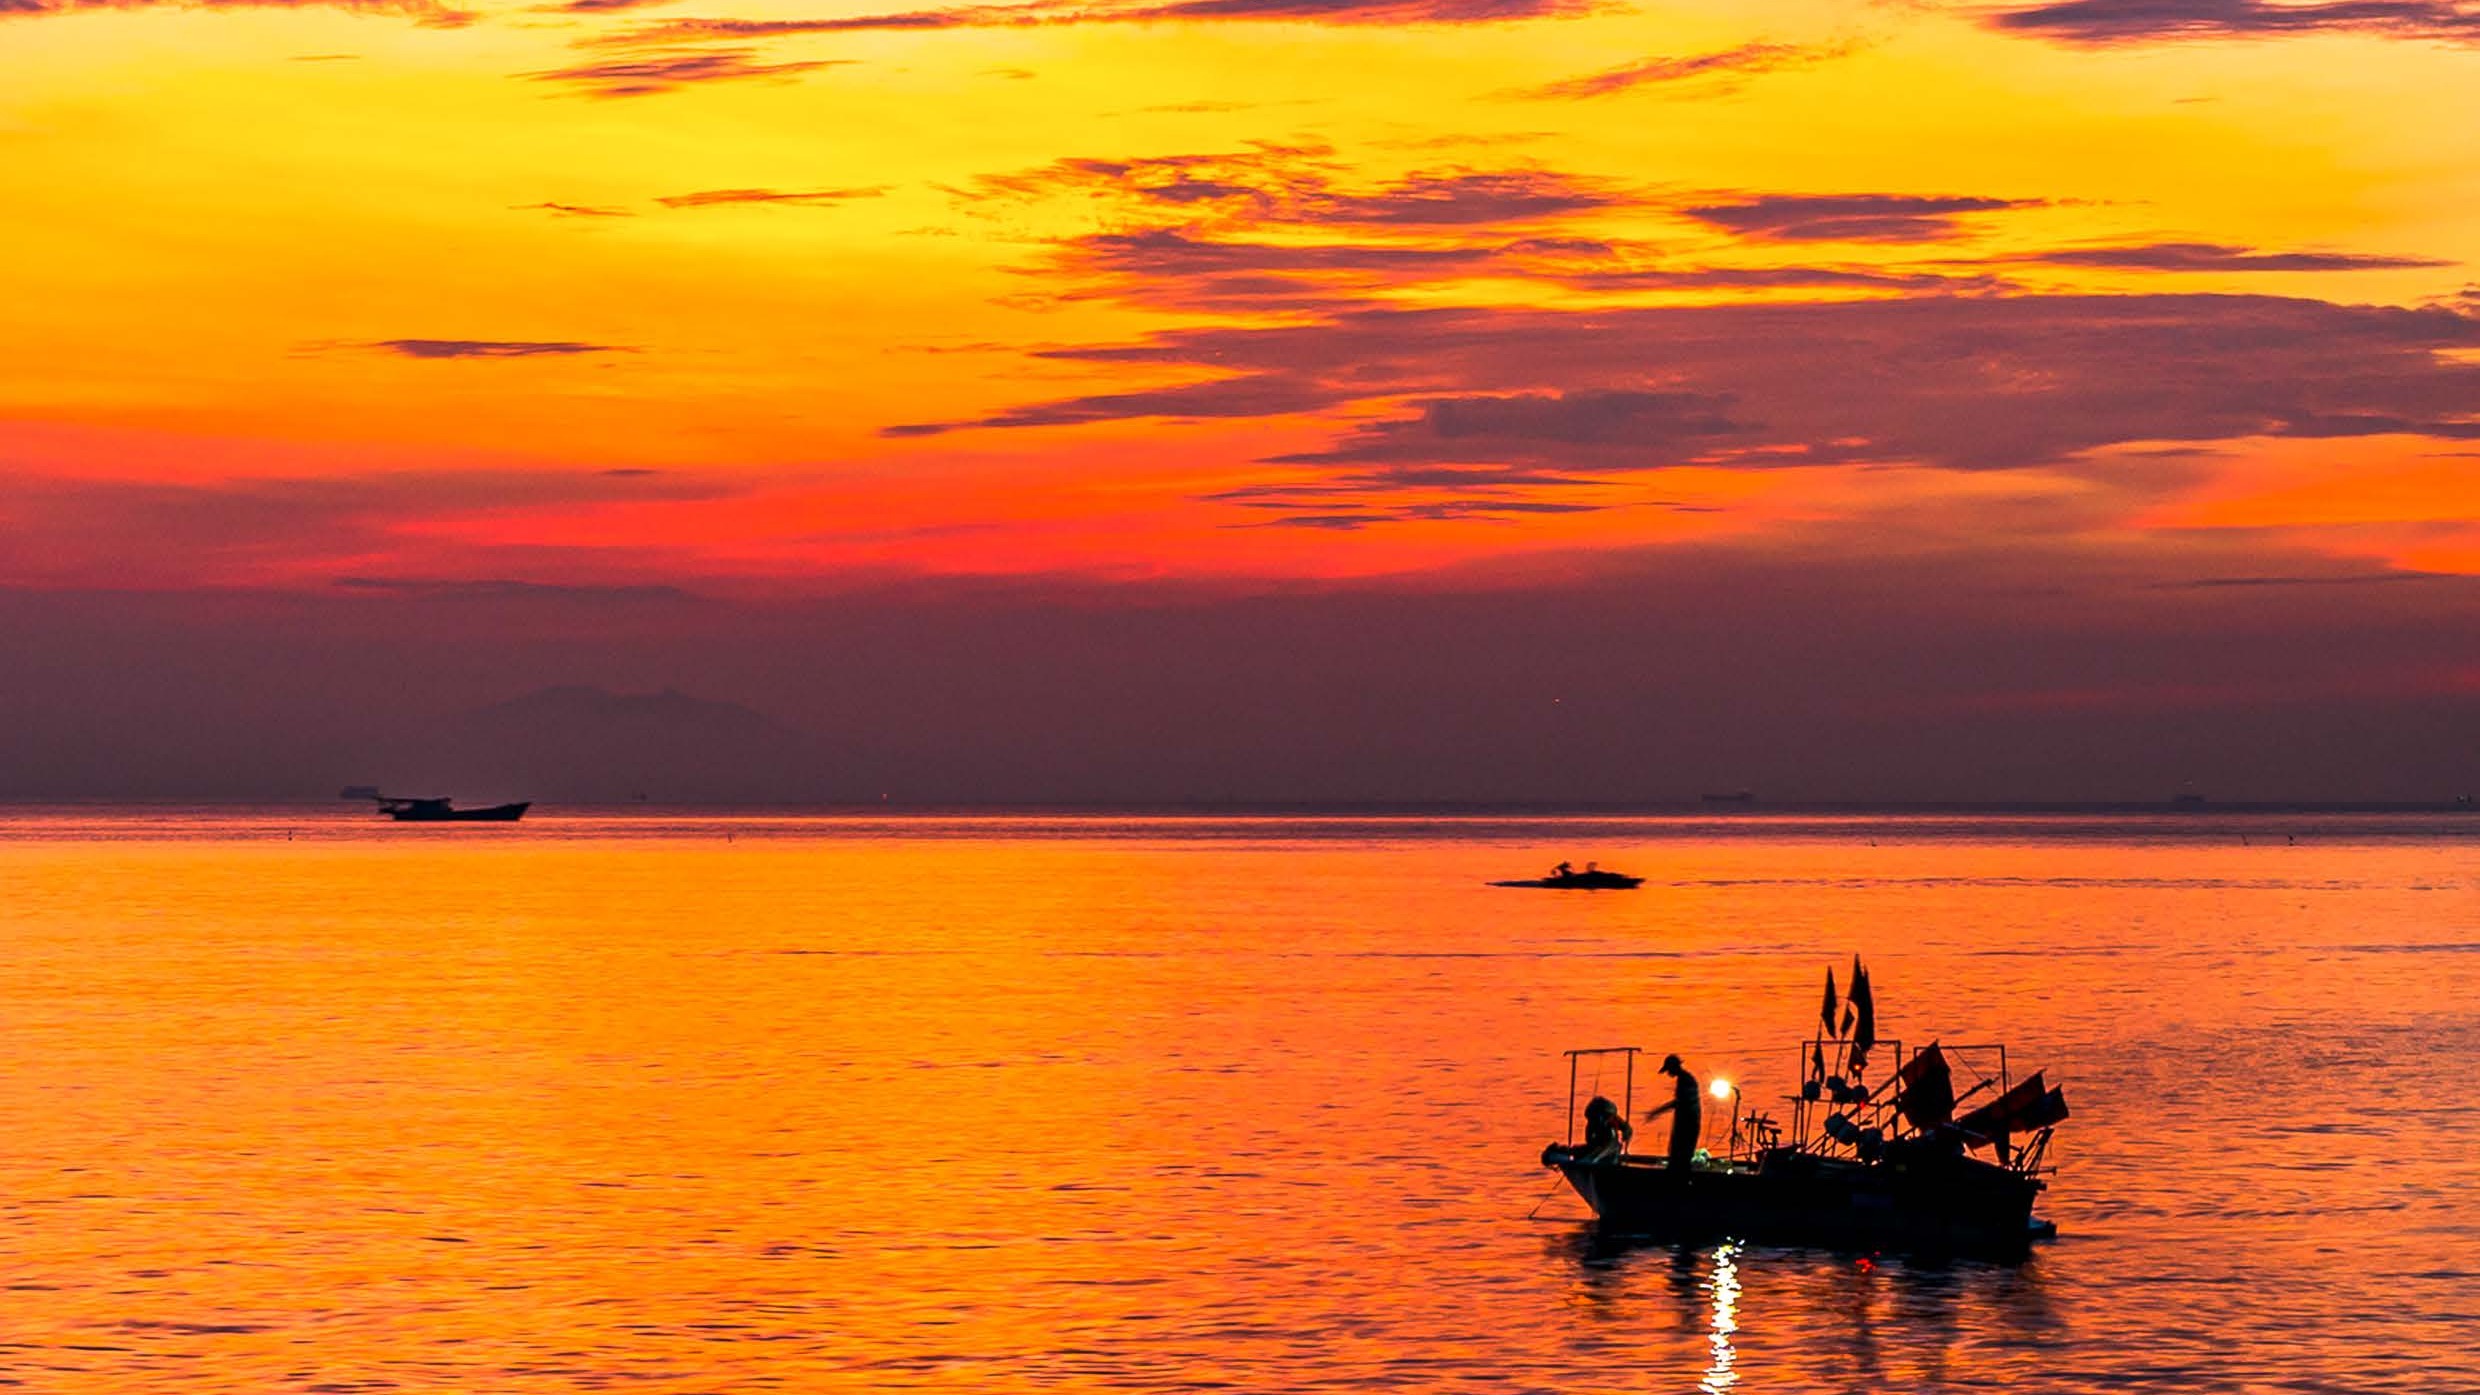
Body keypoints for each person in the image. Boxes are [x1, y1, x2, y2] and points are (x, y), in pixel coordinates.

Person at [1643, 1054, 1703, 1170]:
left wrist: (1657, 1111)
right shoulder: (1683, 1079)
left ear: (1674, 1067)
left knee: (1681, 1155)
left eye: (1668, 1070)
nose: (1667, 1073)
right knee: (1678, 1153)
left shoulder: (1686, 1080)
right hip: (1685, 1122)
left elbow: (1680, 1102)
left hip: (1688, 1124)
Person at [1577, 1095, 1632, 1162]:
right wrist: (1594, 1144)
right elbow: (1589, 1139)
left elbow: (1628, 1129)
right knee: (1586, 1154)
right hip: (1599, 1146)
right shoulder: (1593, 1121)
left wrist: (1625, 1138)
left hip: (1611, 1149)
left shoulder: (1613, 1119)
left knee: (1601, 1155)